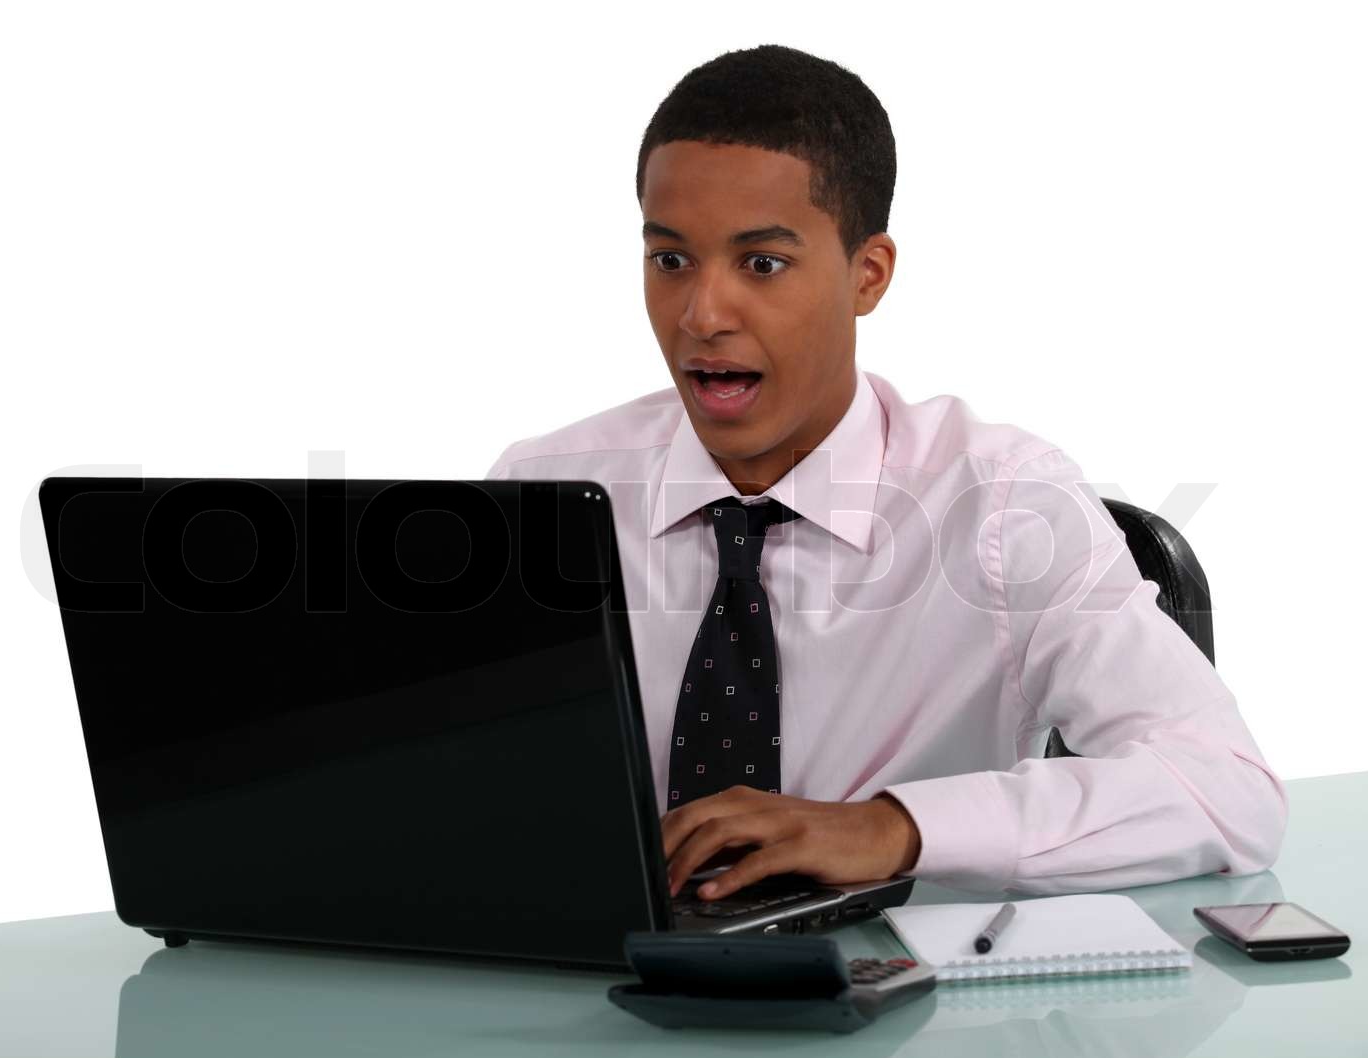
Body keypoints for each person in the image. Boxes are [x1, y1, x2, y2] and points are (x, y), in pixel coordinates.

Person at [484, 44, 1286, 903]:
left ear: (867, 275)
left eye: (762, 263)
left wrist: (893, 826)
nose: (702, 313)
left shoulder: (1003, 503)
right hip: (595, 1001)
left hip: (906, 1012)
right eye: (671, 259)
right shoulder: (545, 490)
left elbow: (1225, 788)